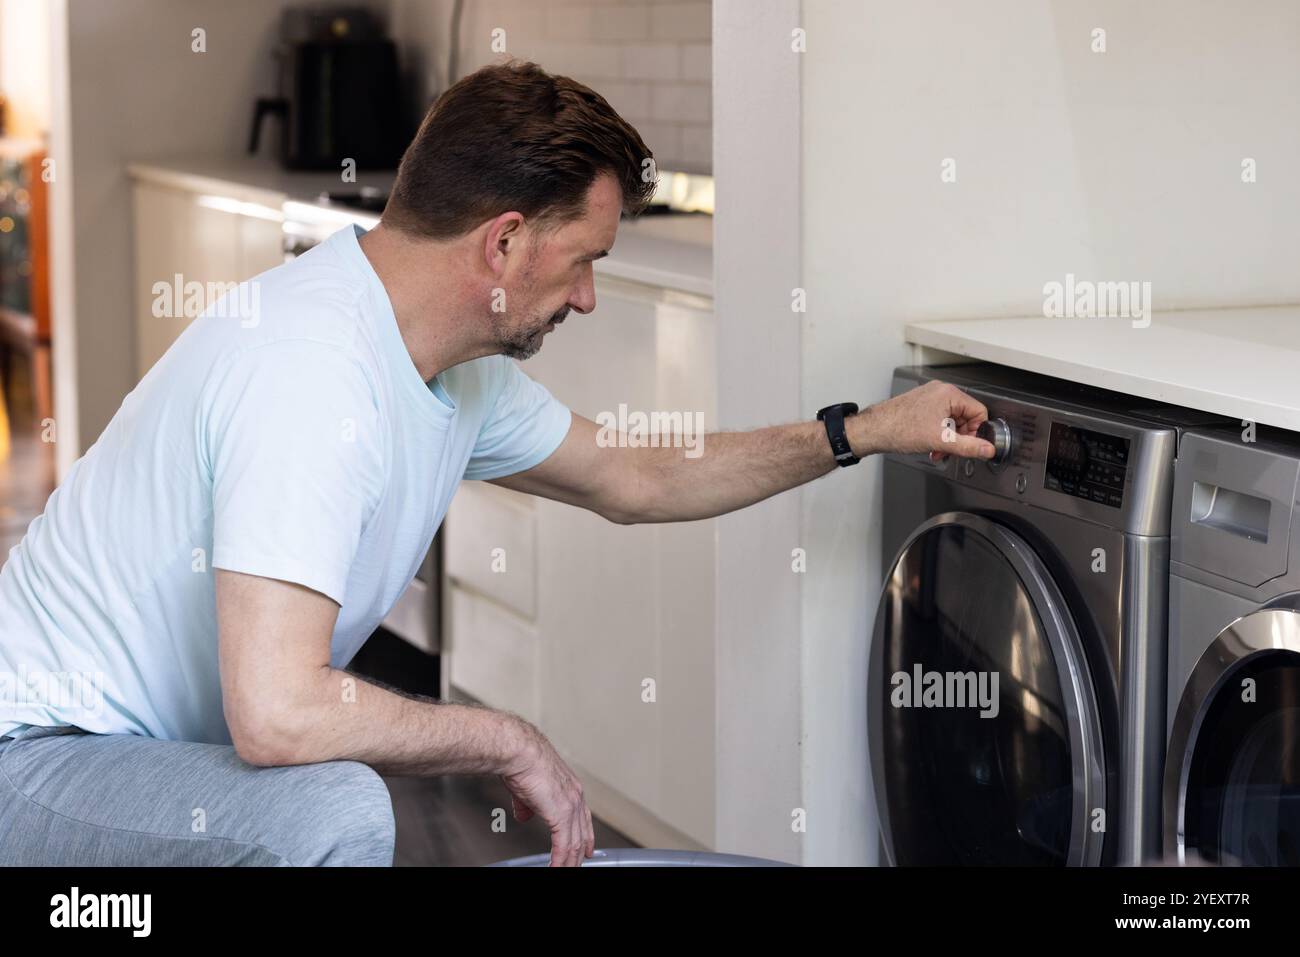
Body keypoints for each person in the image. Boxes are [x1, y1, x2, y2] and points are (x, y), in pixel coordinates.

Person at [0, 61, 994, 867]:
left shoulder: (441, 359)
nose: (589, 296)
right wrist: (505, 736)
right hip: (37, 765)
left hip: (147, 759)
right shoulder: (309, 370)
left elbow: (637, 477)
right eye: (584, 261)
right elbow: (278, 714)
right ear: (507, 244)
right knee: (330, 815)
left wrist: (862, 430)